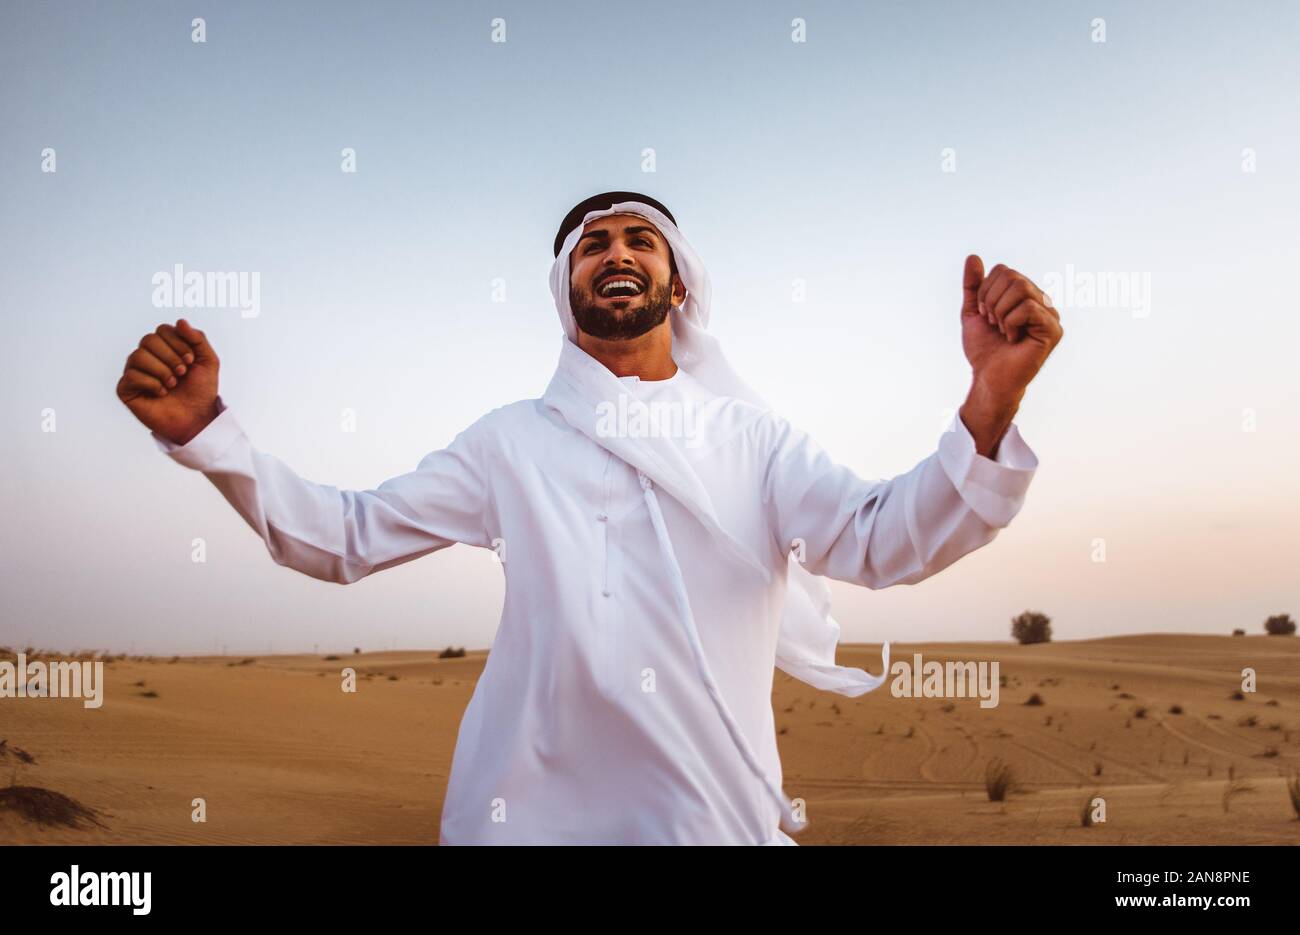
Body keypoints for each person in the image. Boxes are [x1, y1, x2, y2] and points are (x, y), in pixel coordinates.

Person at [115, 191, 1063, 844]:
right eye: (594, 245)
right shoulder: (509, 444)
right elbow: (343, 536)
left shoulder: (754, 441)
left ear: (677, 282)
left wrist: (988, 405)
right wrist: (211, 435)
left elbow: (880, 538)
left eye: (638, 240)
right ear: (567, 288)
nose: (616, 253)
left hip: (708, 824)